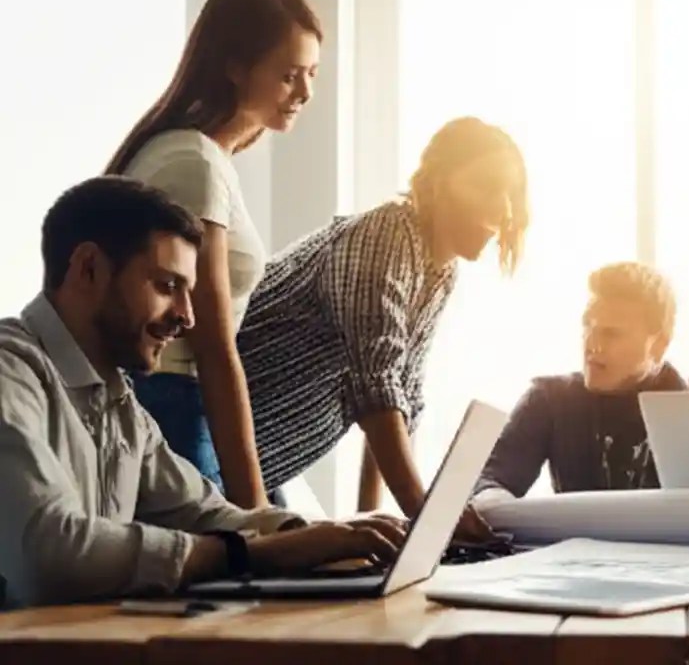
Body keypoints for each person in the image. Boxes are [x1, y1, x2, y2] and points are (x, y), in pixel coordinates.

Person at [0, 177, 403, 608]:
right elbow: (48, 555)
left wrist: (325, 536)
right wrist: (244, 555)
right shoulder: (11, 373)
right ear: (88, 269)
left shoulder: (121, 406)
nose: (187, 317)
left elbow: (205, 513)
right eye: (167, 285)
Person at [236, 117, 528, 522]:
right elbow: (377, 390)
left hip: (259, 466)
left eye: (510, 194)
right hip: (205, 450)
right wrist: (426, 519)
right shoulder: (386, 234)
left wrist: (370, 519)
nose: (505, 209)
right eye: (487, 186)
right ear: (438, 181)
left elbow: (397, 400)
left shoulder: (439, 272)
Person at [104, 0, 323, 509]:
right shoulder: (194, 164)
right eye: (290, 74)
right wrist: (257, 515)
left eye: (312, 73)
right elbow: (215, 349)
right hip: (173, 407)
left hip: (178, 406)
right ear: (235, 66)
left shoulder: (205, 160)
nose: (305, 92)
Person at [472, 262, 689, 502]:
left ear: (659, 345)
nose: (591, 344)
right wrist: (488, 500)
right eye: (588, 326)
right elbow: (490, 480)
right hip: (571, 540)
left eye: (612, 333)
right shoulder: (550, 399)